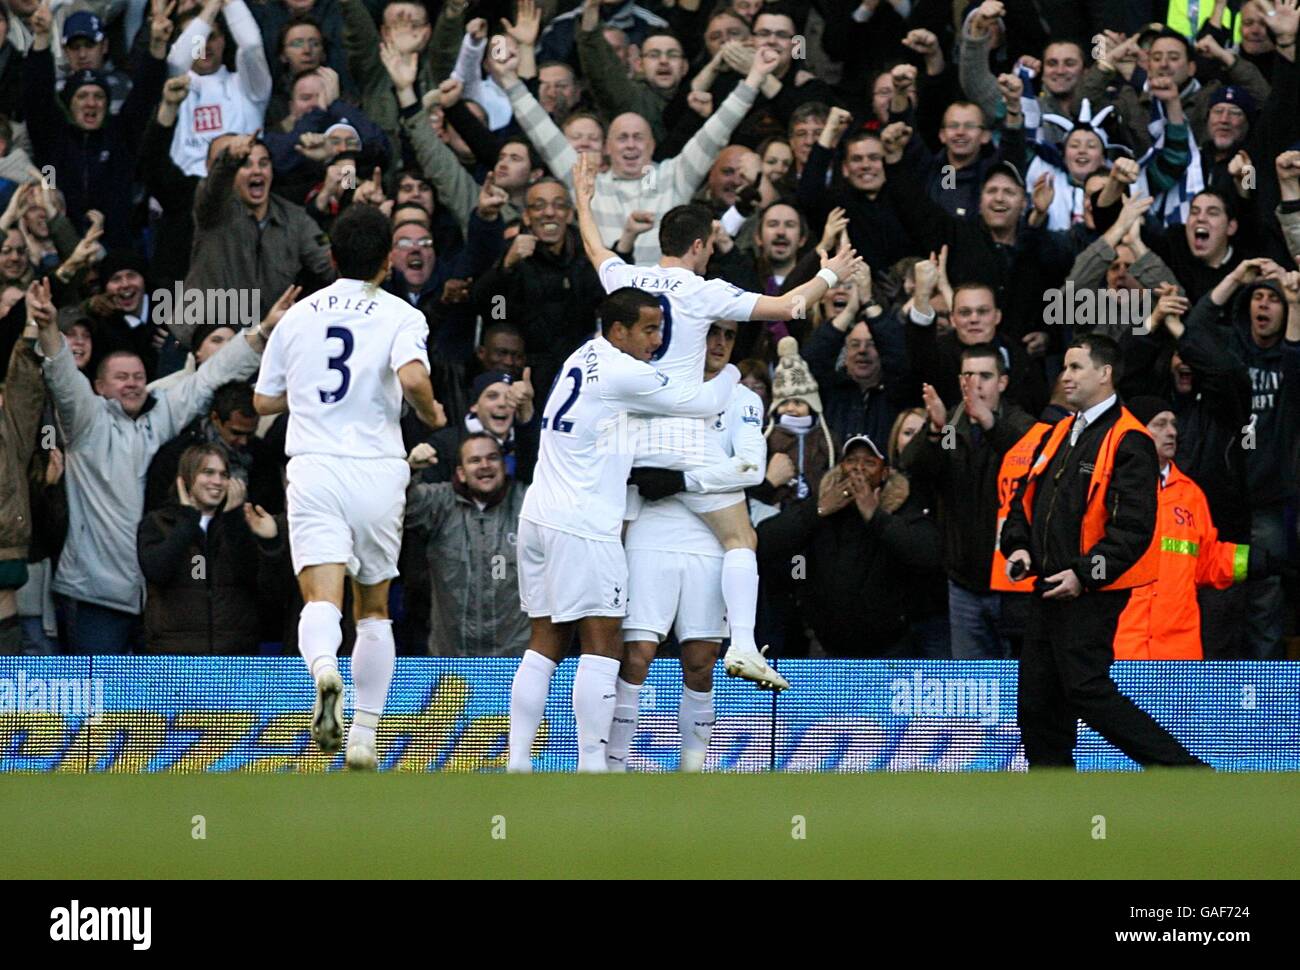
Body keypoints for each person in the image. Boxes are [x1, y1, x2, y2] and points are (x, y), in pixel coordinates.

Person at [577, 153, 865, 689]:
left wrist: (583, 196)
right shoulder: (704, 291)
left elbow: (594, 247)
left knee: (615, 563)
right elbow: (786, 309)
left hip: (628, 445)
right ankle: (743, 643)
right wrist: (831, 272)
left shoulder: (629, 280)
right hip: (685, 436)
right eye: (709, 245)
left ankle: (600, 734)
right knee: (740, 539)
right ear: (699, 246)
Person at [507, 286, 741, 773]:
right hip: (583, 525)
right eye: (649, 330)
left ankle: (518, 763)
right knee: (603, 644)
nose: (657, 341)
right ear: (619, 331)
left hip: (537, 515)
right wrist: (734, 371)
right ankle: (593, 767)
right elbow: (700, 402)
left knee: (545, 641)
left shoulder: (581, 356)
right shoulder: (622, 371)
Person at [252, 204, 447, 771]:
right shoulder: (399, 313)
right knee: (375, 608)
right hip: (377, 469)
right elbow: (412, 377)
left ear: (331, 257)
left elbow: (263, 401)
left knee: (320, 598)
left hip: (314, 465)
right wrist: (432, 414)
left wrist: (310, 393)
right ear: (387, 259)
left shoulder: (298, 316)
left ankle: (323, 671)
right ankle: (364, 734)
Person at [31, 273, 289, 654]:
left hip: (157, 590)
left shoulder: (161, 414)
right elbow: (63, 376)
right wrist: (49, 327)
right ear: (100, 387)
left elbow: (209, 377)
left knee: (150, 710)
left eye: (138, 376)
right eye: (121, 378)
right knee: (103, 709)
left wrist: (262, 332)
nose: (132, 384)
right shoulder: (86, 420)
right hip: (96, 593)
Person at [999, 333, 1207, 768]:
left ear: (1105, 374)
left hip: (1090, 592)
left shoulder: (1129, 439)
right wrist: (1018, 547)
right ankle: (1051, 796)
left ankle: (1183, 770)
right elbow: (1022, 498)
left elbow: (1133, 529)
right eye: (1066, 367)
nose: (1065, 376)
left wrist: (1084, 575)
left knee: (1086, 691)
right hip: (1047, 585)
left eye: (1076, 367)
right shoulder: (1057, 433)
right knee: (1038, 701)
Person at [608, 318, 767, 772]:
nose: (718, 343)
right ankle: (614, 767)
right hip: (651, 531)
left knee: (701, 661)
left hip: (711, 538)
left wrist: (681, 481)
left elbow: (751, 469)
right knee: (635, 655)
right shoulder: (657, 388)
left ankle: (692, 772)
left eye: (729, 336)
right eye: (711, 332)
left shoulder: (743, 398)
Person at [1112, 396, 1283, 660]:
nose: (1172, 432)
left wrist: (1256, 561)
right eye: (1160, 424)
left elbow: (1206, 560)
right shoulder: (1105, 488)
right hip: (1120, 645)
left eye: (1173, 424)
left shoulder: (1191, 494)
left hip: (1178, 651)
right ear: (1134, 430)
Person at [902, 343, 1038, 659]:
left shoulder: (1021, 424)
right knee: (972, 687)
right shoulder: (950, 424)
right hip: (962, 581)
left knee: (1015, 682)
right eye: (968, 375)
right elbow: (914, 470)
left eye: (985, 376)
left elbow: (1030, 466)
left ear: (1002, 382)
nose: (975, 384)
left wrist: (990, 425)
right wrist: (934, 431)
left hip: (1012, 581)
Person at [136, 441, 284, 654]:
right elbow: (157, 571)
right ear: (186, 478)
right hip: (175, 657)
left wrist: (235, 521)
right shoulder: (159, 523)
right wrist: (188, 521)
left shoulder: (242, 523)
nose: (217, 481)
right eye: (208, 472)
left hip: (234, 657)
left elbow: (258, 581)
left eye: (223, 475)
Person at [403, 433, 530, 657]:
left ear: (504, 465)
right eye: (475, 460)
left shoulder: (528, 503)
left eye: (492, 458)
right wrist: (409, 471)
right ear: (461, 472)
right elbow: (400, 505)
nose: (485, 466)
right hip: (451, 661)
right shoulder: (440, 502)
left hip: (515, 660)